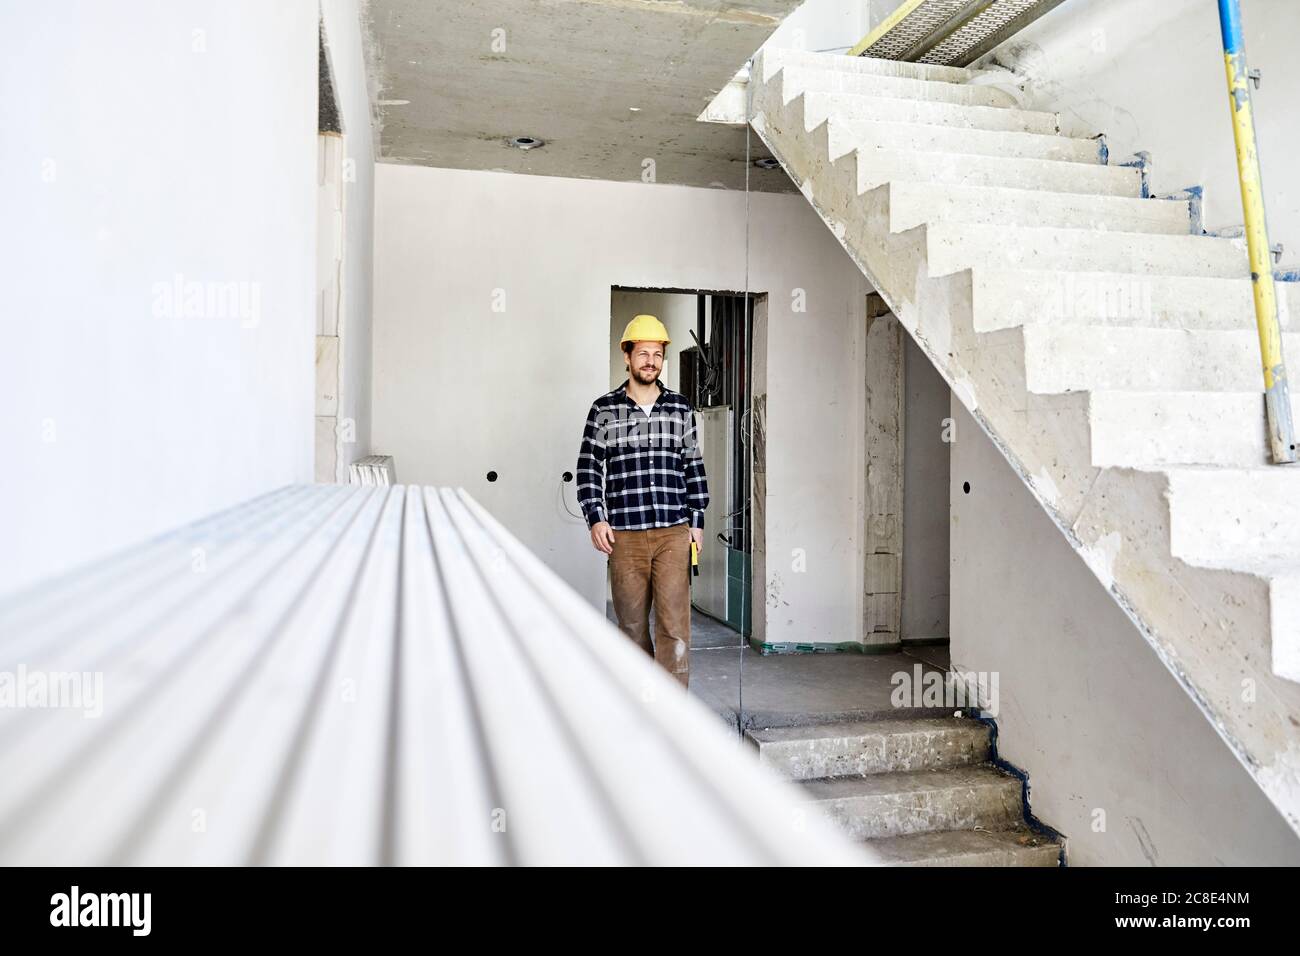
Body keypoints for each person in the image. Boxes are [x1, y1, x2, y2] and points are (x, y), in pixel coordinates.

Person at [576, 314, 709, 687]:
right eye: (643, 353)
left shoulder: (680, 408)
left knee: (674, 626)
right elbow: (588, 468)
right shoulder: (604, 410)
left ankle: (672, 710)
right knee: (632, 627)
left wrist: (697, 521)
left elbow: (693, 465)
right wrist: (596, 518)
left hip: (673, 532)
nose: (651, 361)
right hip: (625, 535)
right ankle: (640, 705)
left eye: (657, 354)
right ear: (627, 356)